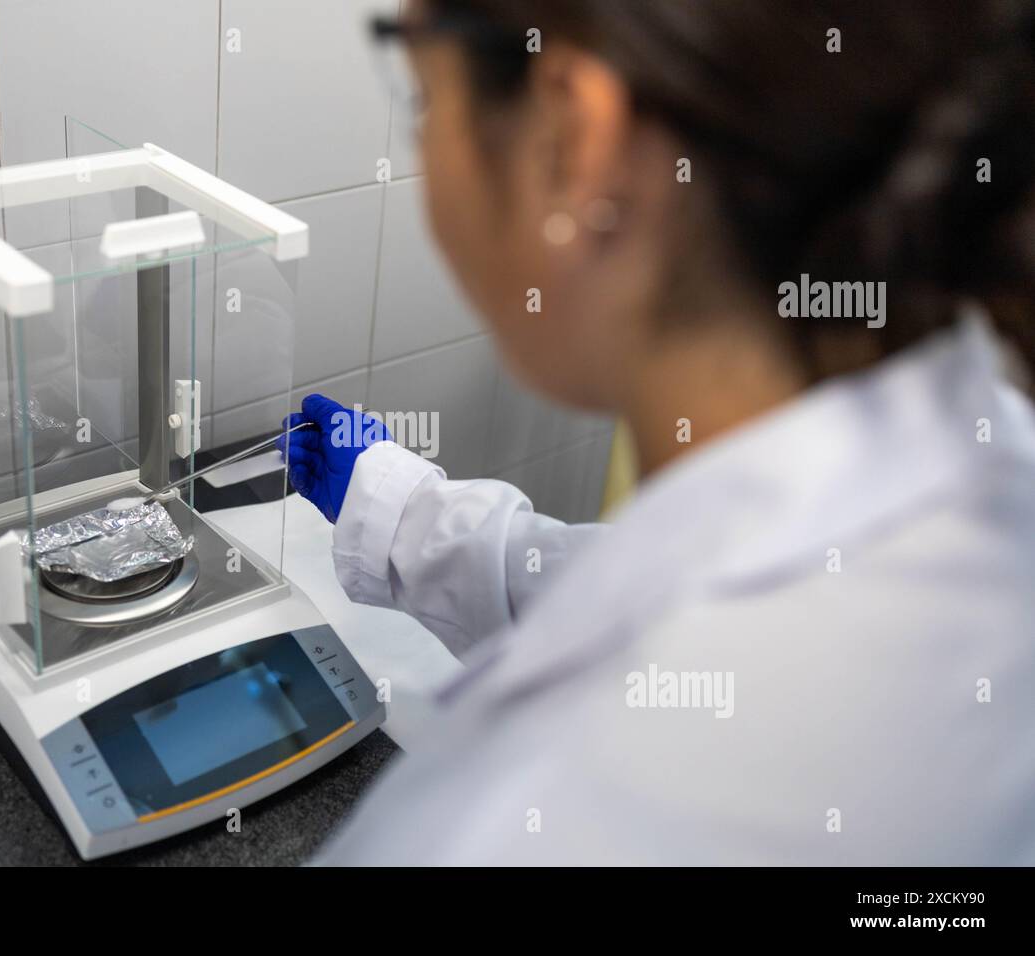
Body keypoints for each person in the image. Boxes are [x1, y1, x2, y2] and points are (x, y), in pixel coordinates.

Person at [279, 0, 1035, 864]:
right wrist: (408, 519)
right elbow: (694, 596)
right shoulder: (989, 469)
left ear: (572, 137)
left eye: (420, 97)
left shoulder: (512, 827)